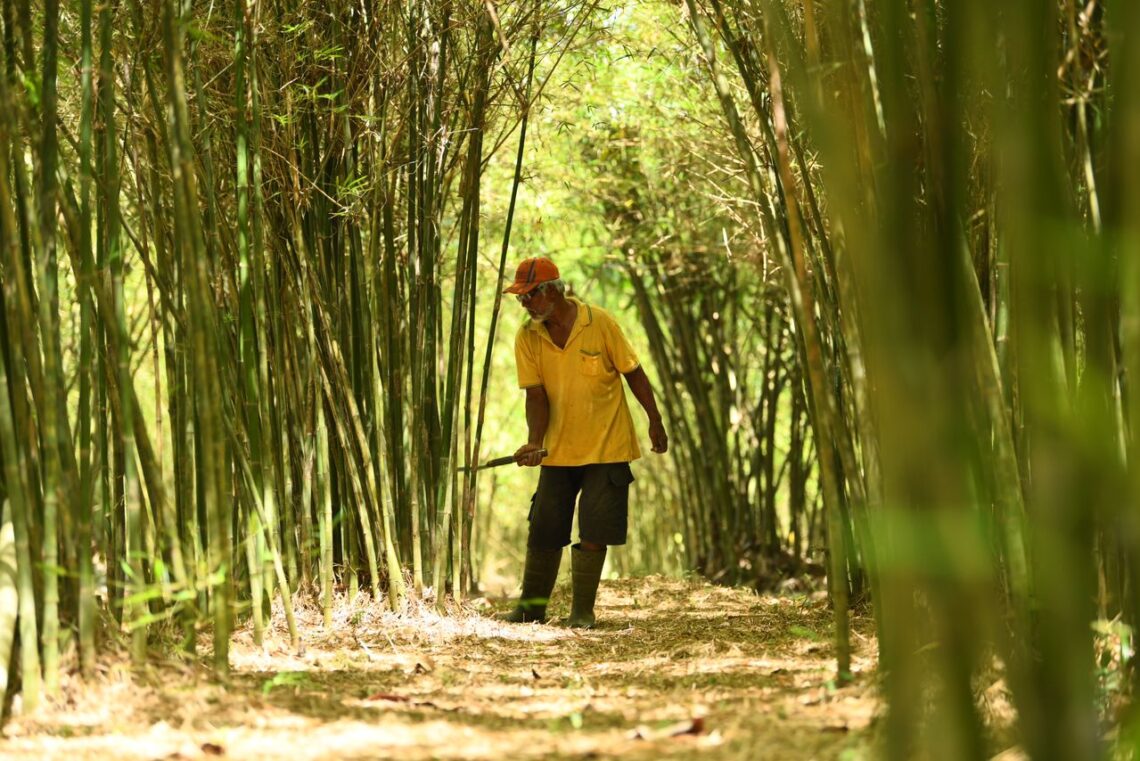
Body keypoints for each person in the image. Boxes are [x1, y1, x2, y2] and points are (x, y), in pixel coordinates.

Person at [500, 256, 668, 628]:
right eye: (520, 299)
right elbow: (536, 395)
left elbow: (634, 374)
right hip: (557, 450)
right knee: (544, 527)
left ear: (553, 290)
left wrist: (654, 419)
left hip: (607, 446)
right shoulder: (527, 336)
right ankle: (531, 608)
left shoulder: (600, 322)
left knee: (595, 527)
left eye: (529, 296)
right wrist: (533, 442)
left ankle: (581, 612)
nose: (525, 304)